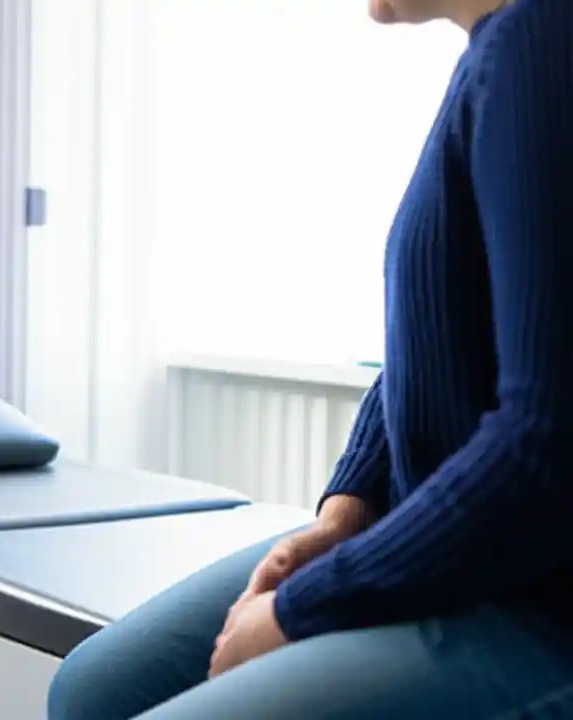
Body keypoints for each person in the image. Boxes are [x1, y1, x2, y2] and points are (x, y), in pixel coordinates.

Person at [47, 0, 573, 717]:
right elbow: (444, 340)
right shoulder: (497, 57)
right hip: (467, 555)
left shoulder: (540, 42)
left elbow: (546, 442)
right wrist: (344, 516)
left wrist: (303, 608)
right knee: (94, 691)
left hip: (537, 604)